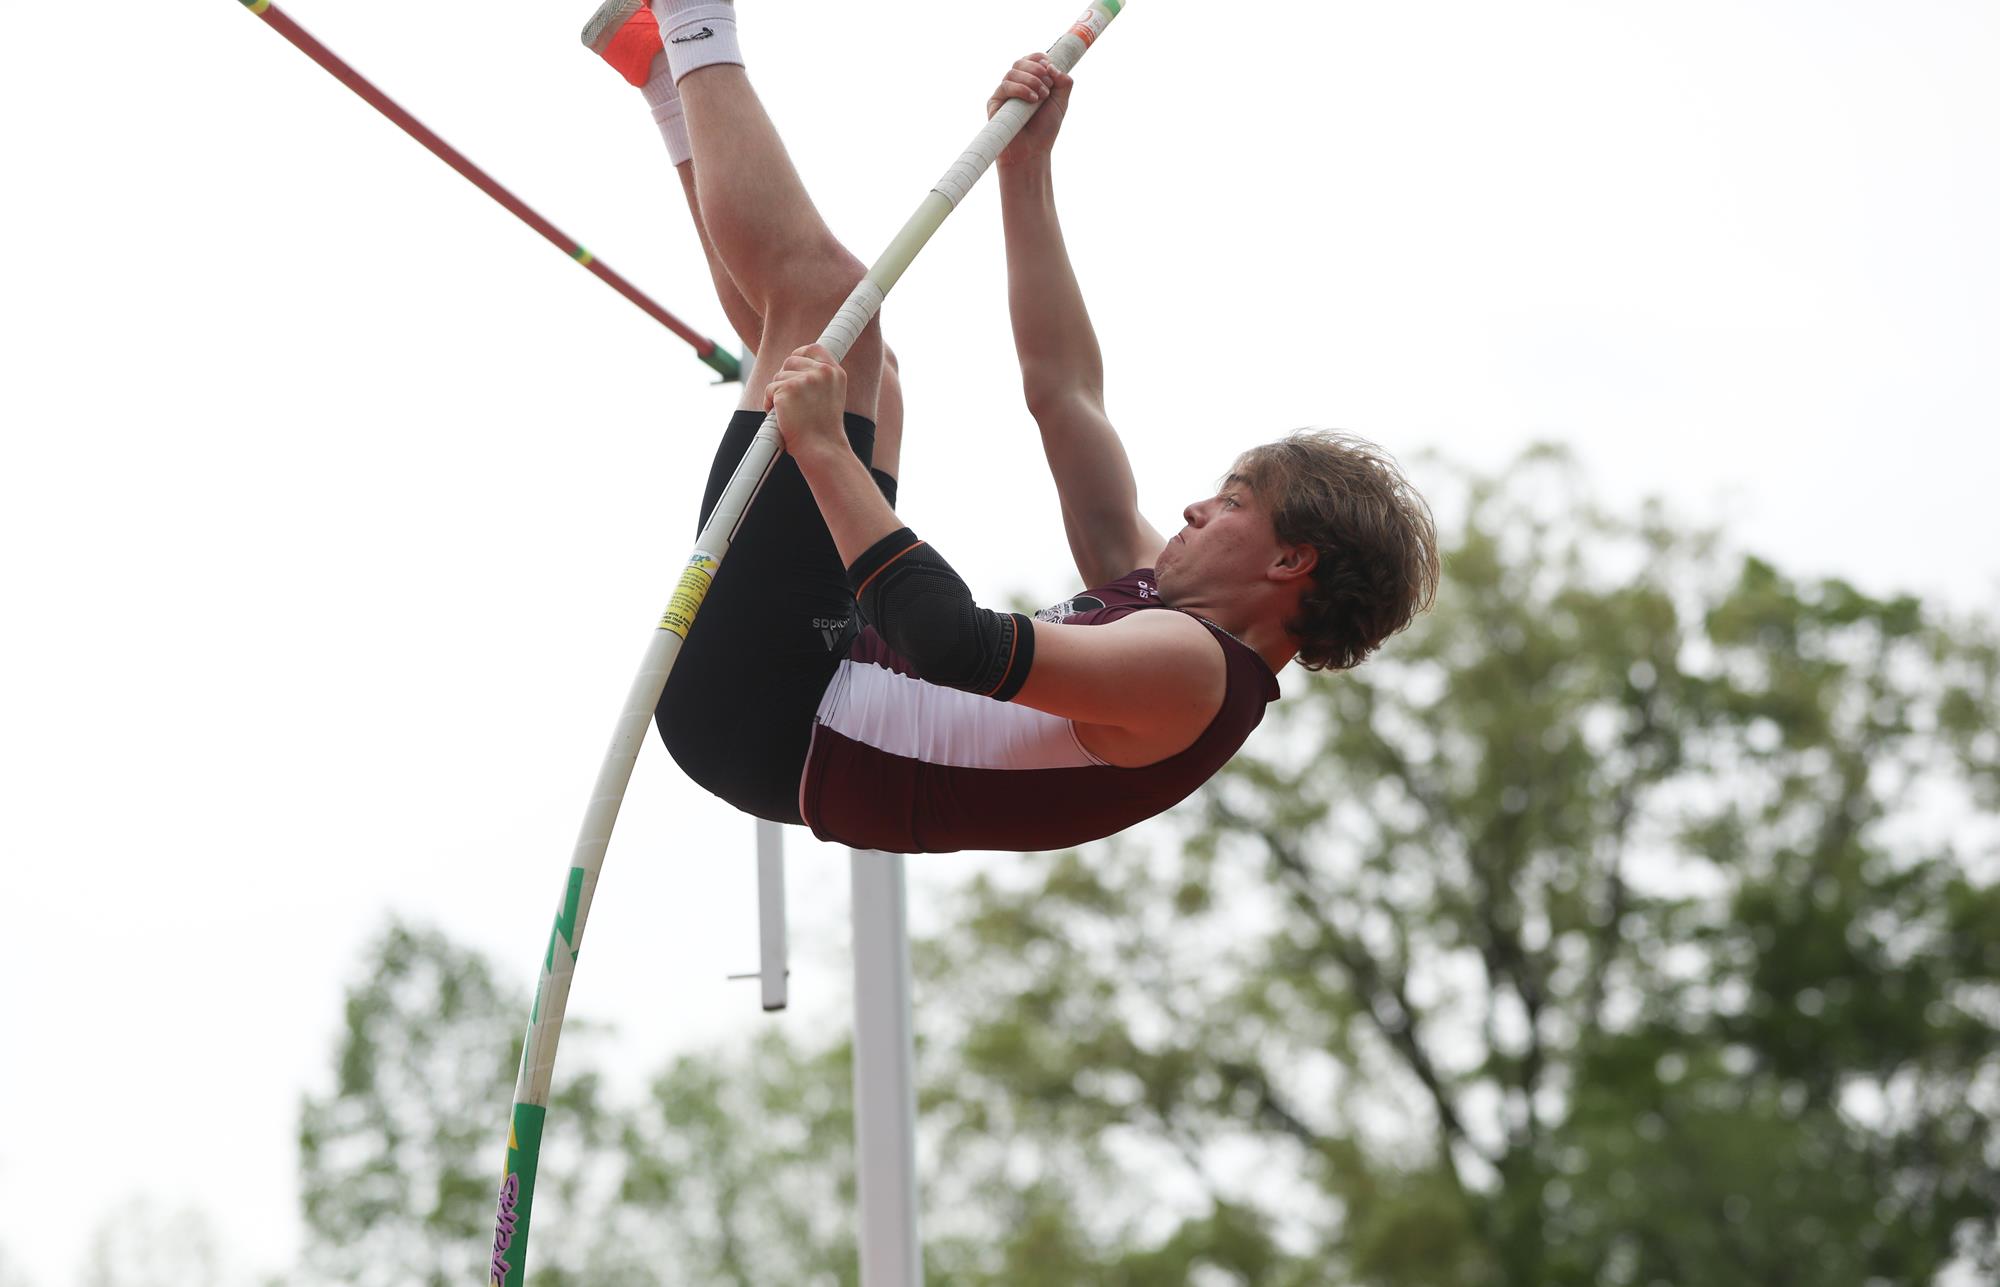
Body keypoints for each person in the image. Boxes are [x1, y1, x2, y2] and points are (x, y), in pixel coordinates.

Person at [584, 1, 1441, 854]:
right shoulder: (1163, 609)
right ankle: (665, 72)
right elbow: (1066, 392)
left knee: (824, 298)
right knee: (863, 370)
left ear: (1290, 560)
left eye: (1232, 504)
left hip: (775, 709)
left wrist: (823, 451)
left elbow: (949, 639)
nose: (1194, 510)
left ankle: (696, 24)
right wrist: (1026, 171)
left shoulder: (1193, 675)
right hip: (812, 677)